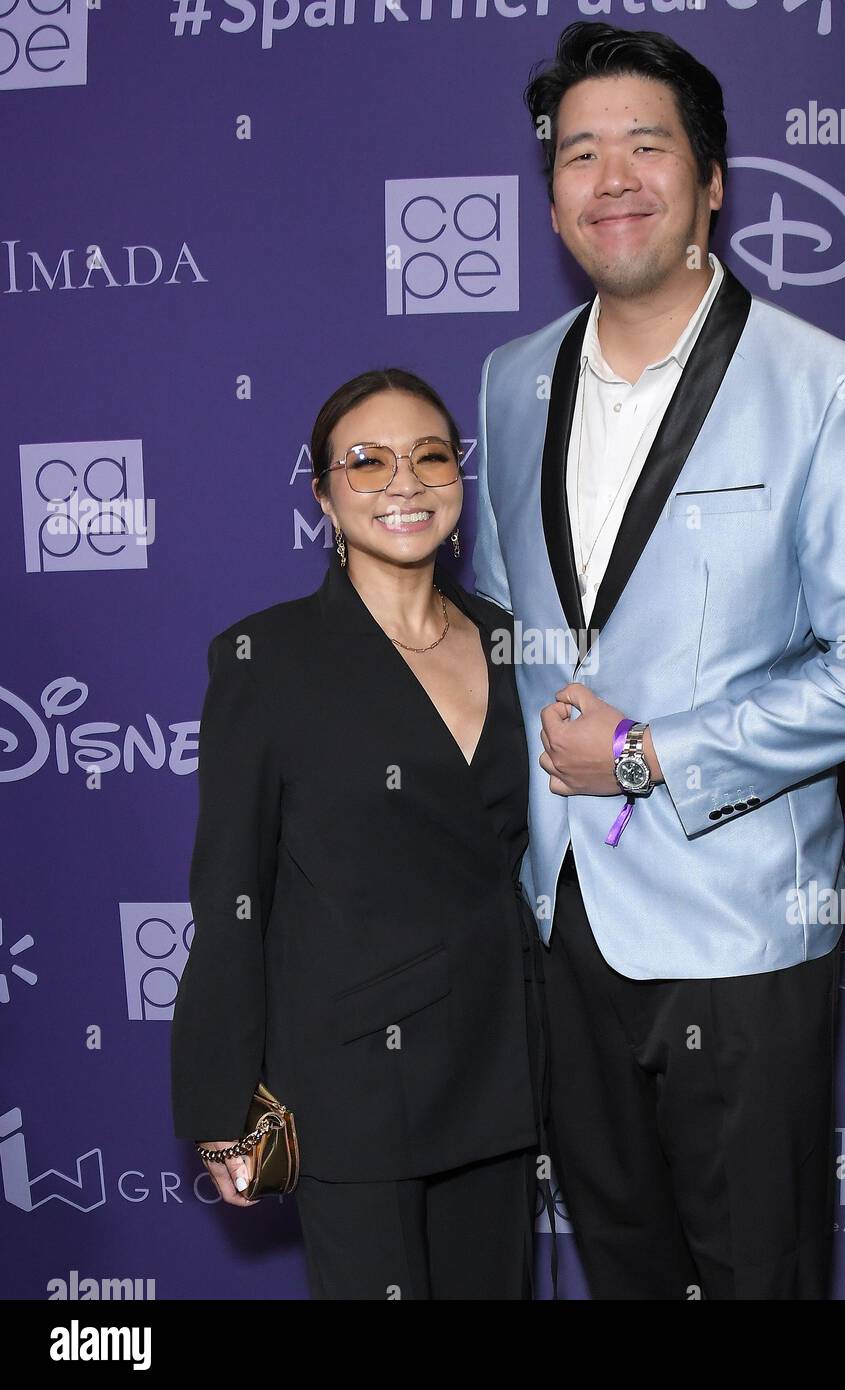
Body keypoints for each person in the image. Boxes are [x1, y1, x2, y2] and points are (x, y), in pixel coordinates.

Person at [472, 22, 845, 1299]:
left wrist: (648, 753)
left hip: (736, 929)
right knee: (622, 1270)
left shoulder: (826, 385)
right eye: (577, 153)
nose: (610, 177)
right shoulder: (508, 383)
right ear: (550, 191)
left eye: (645, 144)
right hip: (561, 917)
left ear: (711, 177)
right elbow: (511, 631)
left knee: (755, 1276)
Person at [171, 367, 549, 1300]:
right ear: (325, 496)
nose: (404, 484)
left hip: (501, 1058)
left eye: (429, 458)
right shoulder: (268, 658)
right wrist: (222, 1107)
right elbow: (229, 888)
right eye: (367, 462)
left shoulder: (514, 642)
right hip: (351, 1076)